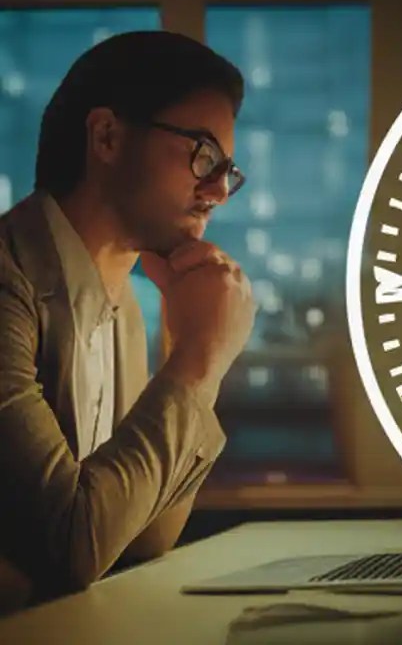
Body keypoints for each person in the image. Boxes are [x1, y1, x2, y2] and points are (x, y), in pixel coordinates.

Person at [0, 31, 256, 612]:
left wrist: (199, 359)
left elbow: (145, 536)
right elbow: (72, 546)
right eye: (203, 153)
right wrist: (198, 361)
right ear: (107, 137)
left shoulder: (126, 308)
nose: (218, 191)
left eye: (227, 170)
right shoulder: (9, 281)